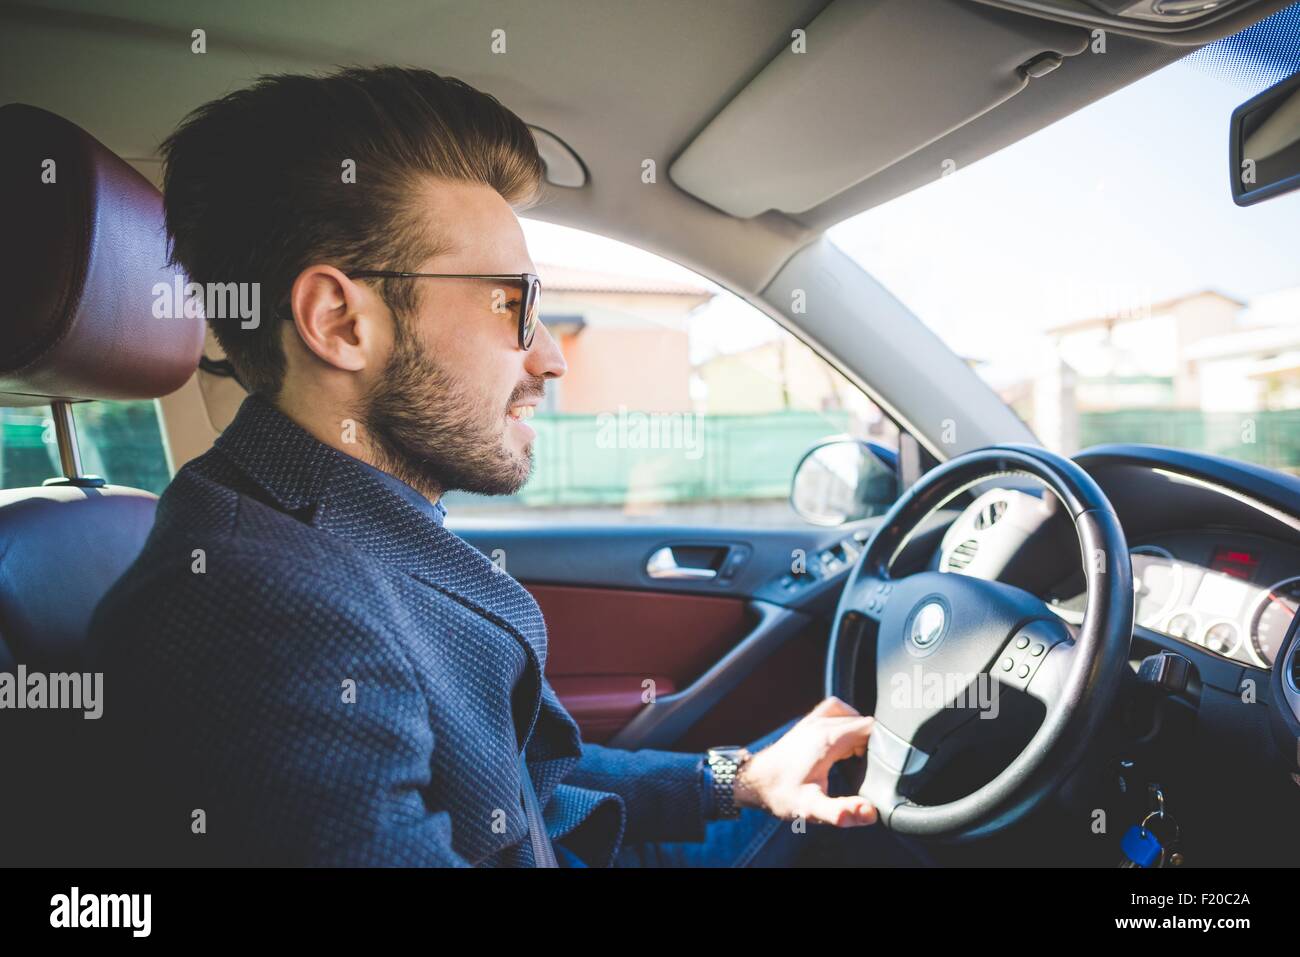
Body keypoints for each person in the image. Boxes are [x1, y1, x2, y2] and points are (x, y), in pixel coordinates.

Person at [88, 66, 898, 867]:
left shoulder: (334, 529)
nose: (550, 358)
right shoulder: (253, 611)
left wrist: (739, 780)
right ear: (340, 322)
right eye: (512, 303)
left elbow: (506, 773)